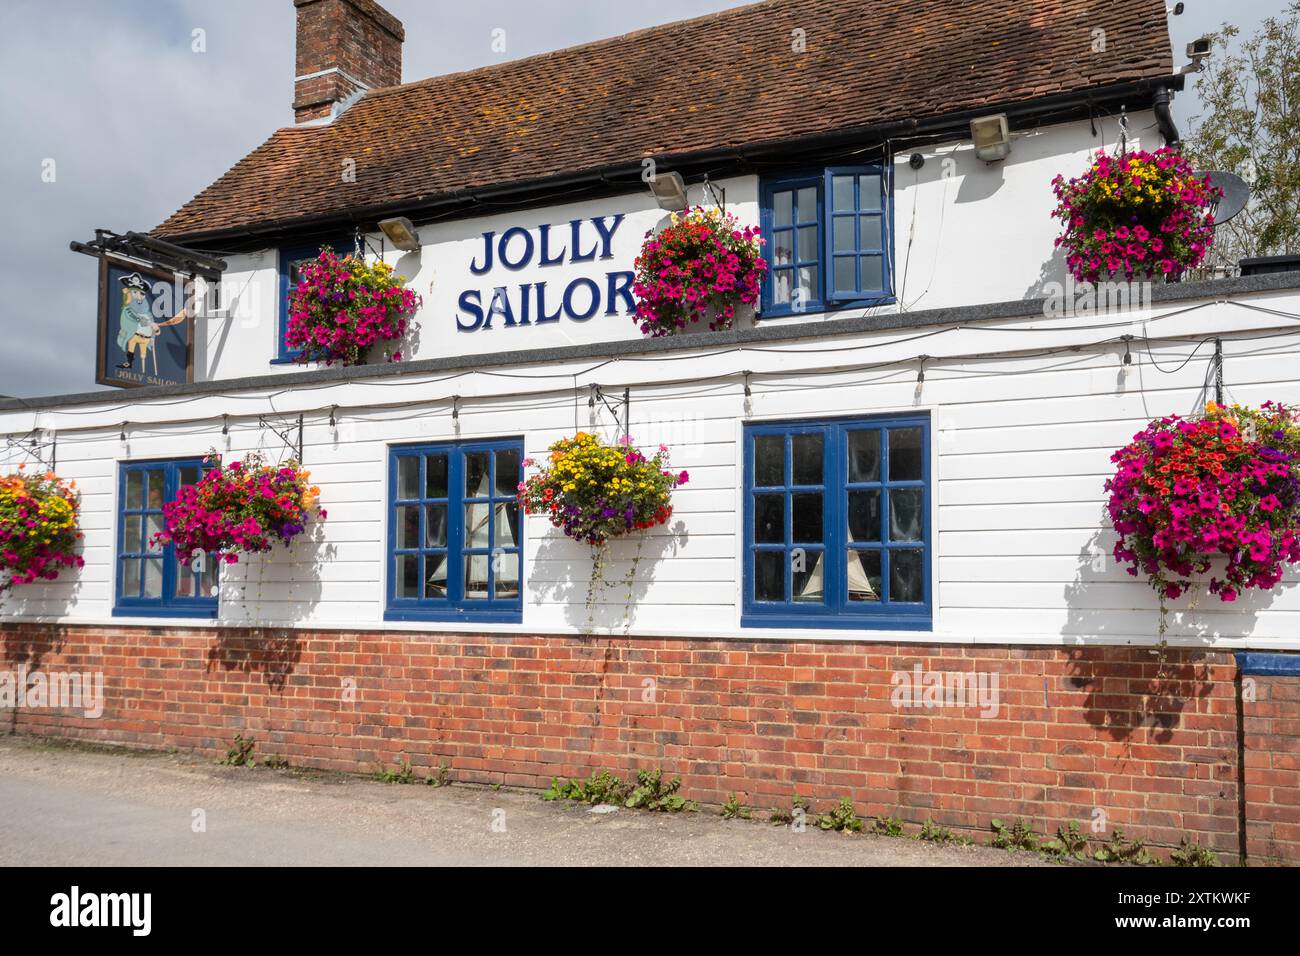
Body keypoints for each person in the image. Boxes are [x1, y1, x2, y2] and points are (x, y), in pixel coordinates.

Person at [115, 273, 186, 371]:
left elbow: (156, 331)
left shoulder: (148, 314)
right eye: (135, 292)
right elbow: (133, 316)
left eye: (142, 294)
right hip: (135, 335)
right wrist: (148, 323)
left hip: (146, 339)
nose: (139, 296)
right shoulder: (128, 308)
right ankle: (129, 363)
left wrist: (156, 329)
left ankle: (144, 370)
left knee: (143, 356)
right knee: (131, 344)